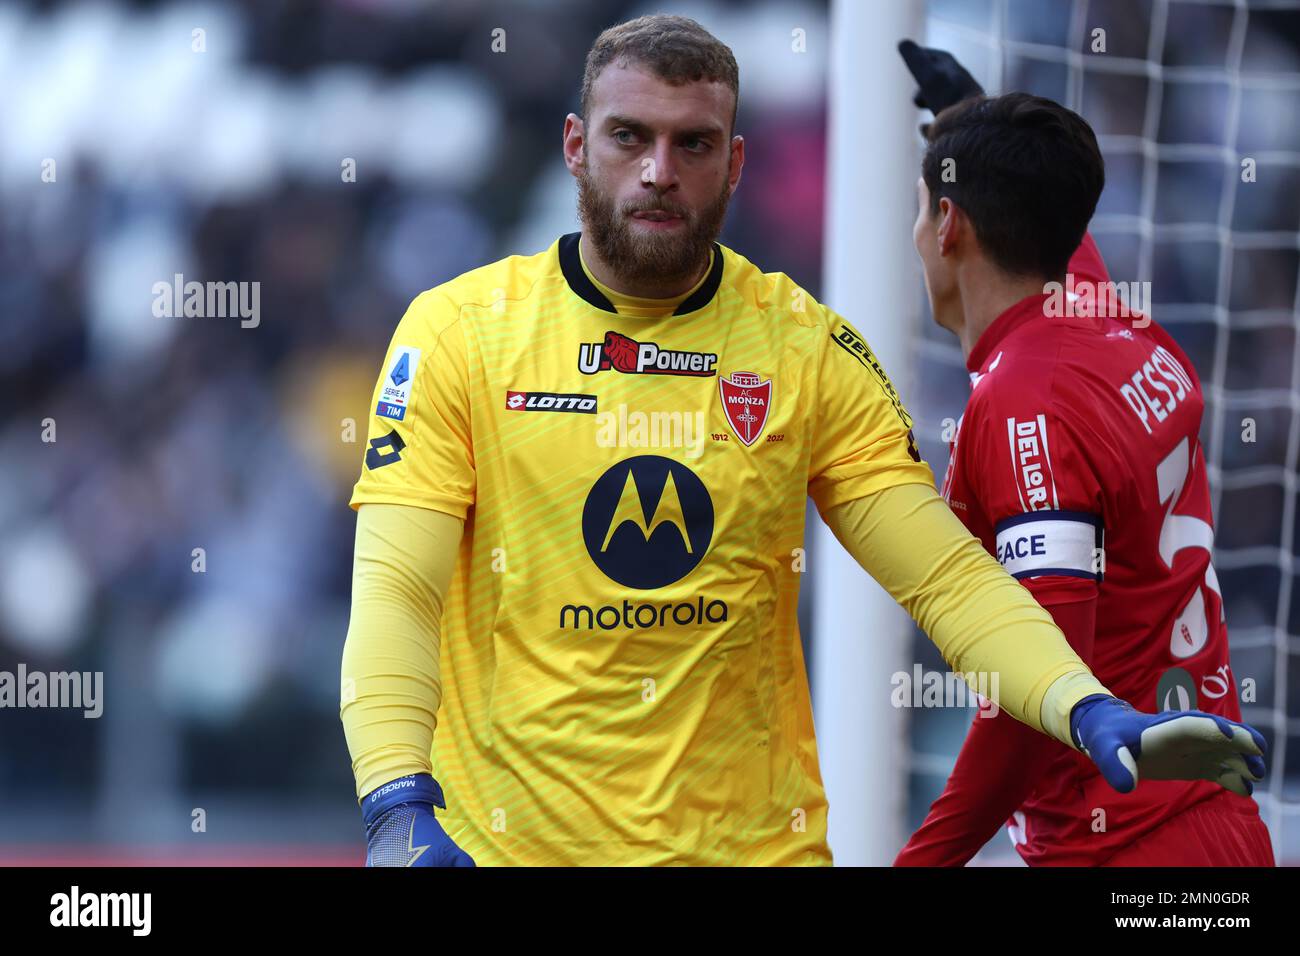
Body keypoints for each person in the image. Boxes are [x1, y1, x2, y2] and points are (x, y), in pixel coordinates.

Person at [340, 16, 1265, 867]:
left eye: (692, 144)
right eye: (631, 137)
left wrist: (1079, 701)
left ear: (736, 163)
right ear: (578, 148)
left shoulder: (804, 348)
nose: (660, 170)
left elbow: (944, 578)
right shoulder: (461, 332)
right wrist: (393, 798)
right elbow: (398, 589)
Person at [893, 44, 1274, 867]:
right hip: (1205, 823)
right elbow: (1047, 222)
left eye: (923, 207)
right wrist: (965, 114)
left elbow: (1041, 687)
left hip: (1129, 846)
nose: (916, 232)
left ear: (950, 227)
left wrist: (922, 860)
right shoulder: (1105, 313)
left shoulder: (1025, 409)